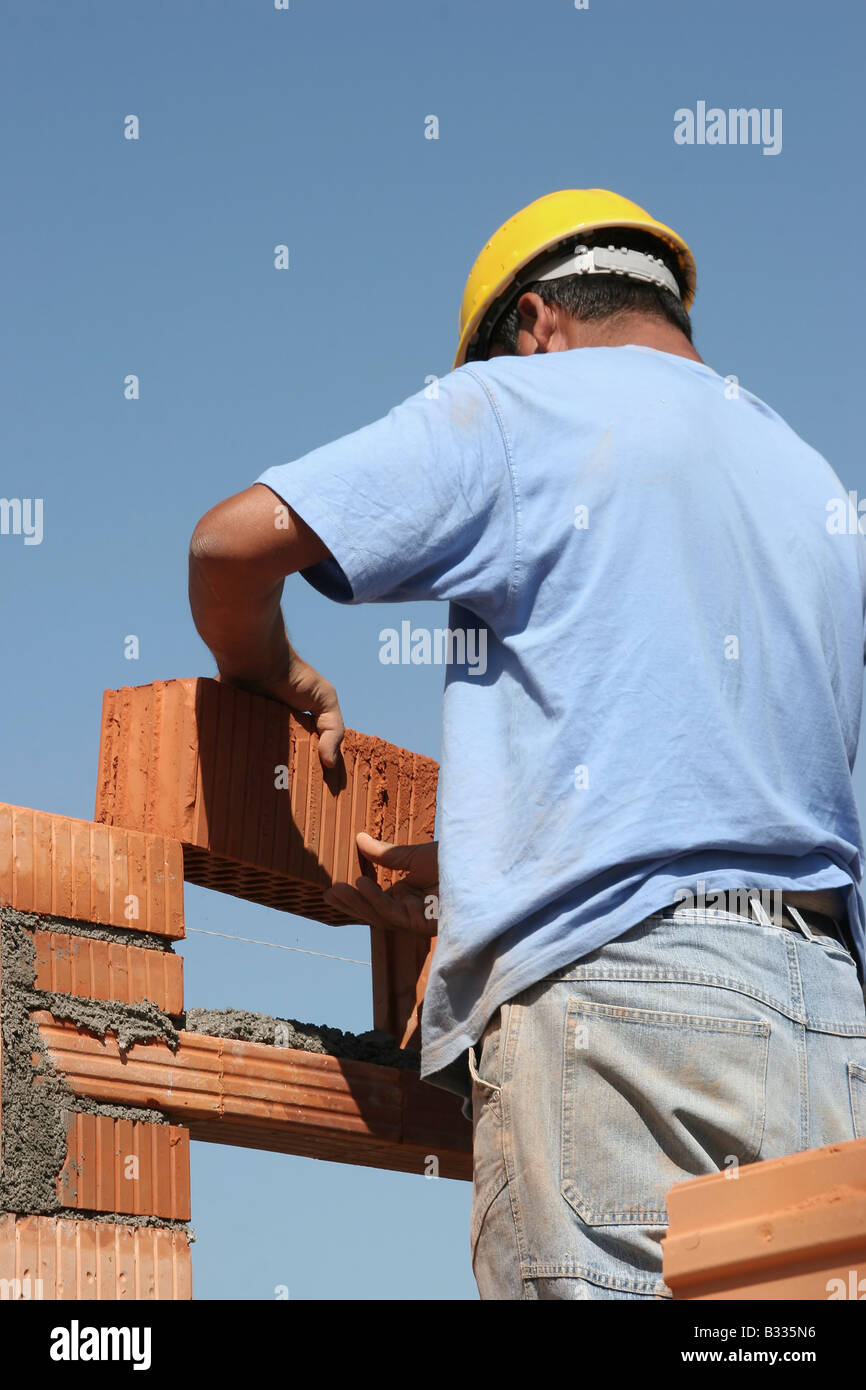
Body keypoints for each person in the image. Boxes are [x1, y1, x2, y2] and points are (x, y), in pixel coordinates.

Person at [188, 189, 866, 1300]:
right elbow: (721, 763)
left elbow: (226, 546)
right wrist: (504, 846)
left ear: (534, 323)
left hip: (622, 1018)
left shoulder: (520, 406)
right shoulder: (804, 474)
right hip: (826, 1018)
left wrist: (267, 668)